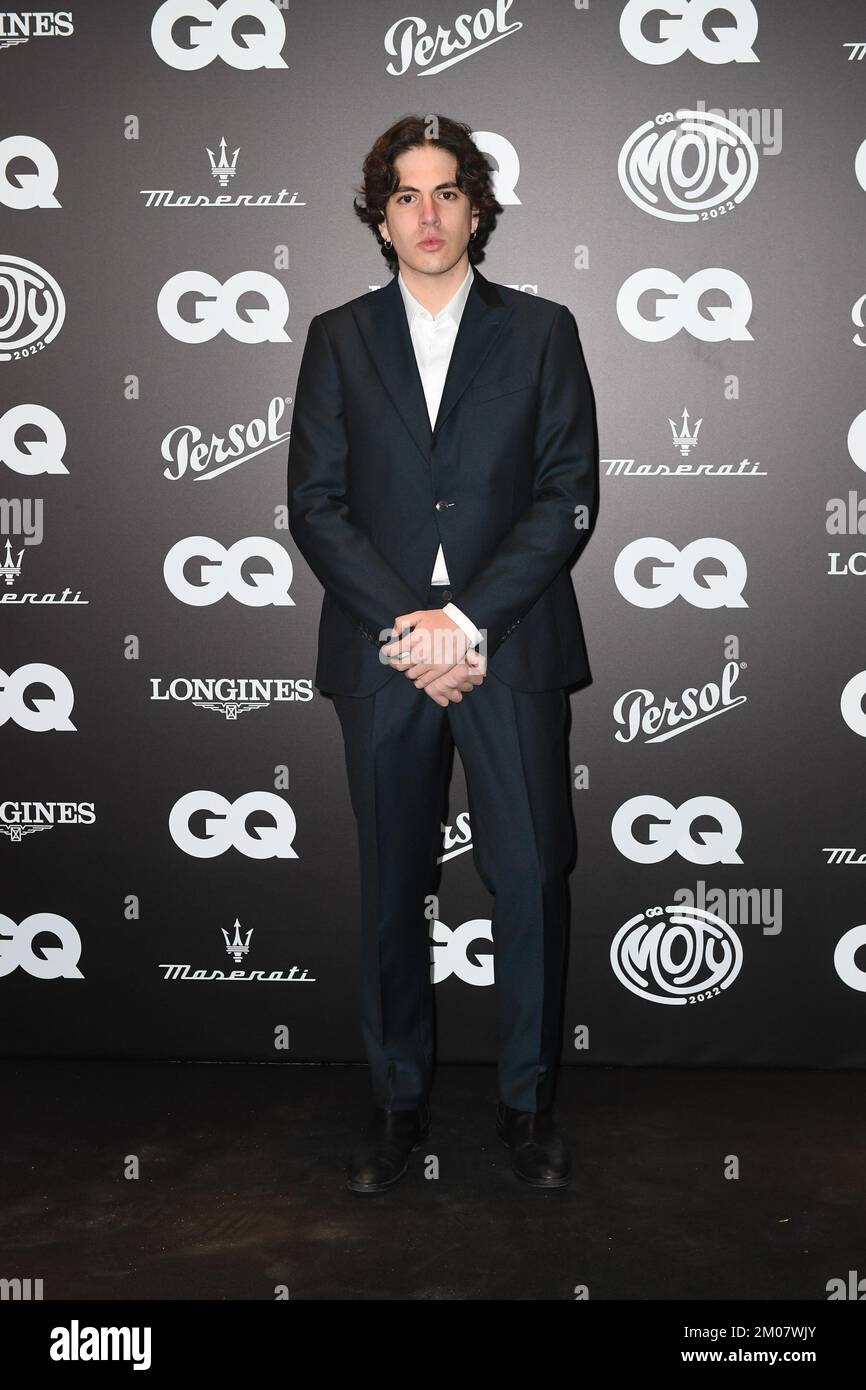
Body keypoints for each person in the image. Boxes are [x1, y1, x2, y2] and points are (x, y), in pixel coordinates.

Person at [287, 113, 598, 1193]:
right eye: (406, 195)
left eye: (447, 192)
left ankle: (527, 1107)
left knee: (530, 880)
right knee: (390, 884)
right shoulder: (337, 336)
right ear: (381, 218)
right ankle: (395, 1105)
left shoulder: (542, 330)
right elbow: (316, 506)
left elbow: (566, 494)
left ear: (476, 210)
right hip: (382, 655)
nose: (427, 214)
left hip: (509, 646)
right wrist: (411, 627)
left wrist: (465, 622)